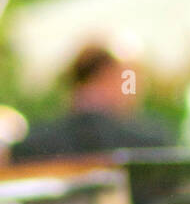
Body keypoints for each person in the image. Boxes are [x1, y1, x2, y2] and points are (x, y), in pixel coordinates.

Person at [11, 45, 172, 163]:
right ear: (108, 76)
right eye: (130, 80)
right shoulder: (149, 141)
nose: (136, 89)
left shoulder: (31, 144)